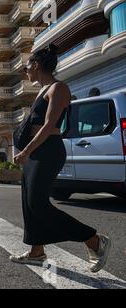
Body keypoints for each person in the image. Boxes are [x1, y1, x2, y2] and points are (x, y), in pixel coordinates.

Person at [10, 44, 111, 273]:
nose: (26, 71)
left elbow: (48, 126)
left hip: (48, 151)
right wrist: (27, 149)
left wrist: (25, 151)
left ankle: (94, 240)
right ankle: (37, 251)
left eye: (27, 67)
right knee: (28, 202)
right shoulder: (41, 90)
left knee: (38, 203)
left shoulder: (59, 88)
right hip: (36, 151)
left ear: (36, 65)